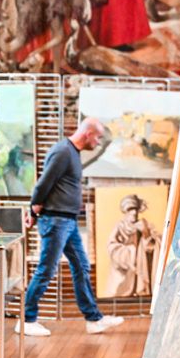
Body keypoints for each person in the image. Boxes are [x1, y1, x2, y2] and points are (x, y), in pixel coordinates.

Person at [19, 117, 124, 337]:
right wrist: (33, 210)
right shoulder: (63, 152)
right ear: (88, 133)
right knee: (46, 270)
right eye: (98, 137)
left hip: (67, 221)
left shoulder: (73, 153)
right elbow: (43, 184)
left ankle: (93, 319)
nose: (98, 142)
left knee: (81, 267)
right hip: (56, 221)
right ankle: (26, 320)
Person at [106, 193, 162, 298]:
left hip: (140, 273)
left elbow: (154, 245)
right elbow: (111, 247)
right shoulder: (120, 227)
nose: (134, 214)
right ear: (126, 212)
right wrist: (130, 252)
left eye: (135, 210)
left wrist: (146, 234)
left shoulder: (144, 225)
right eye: (131, 210)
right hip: (123, 276)